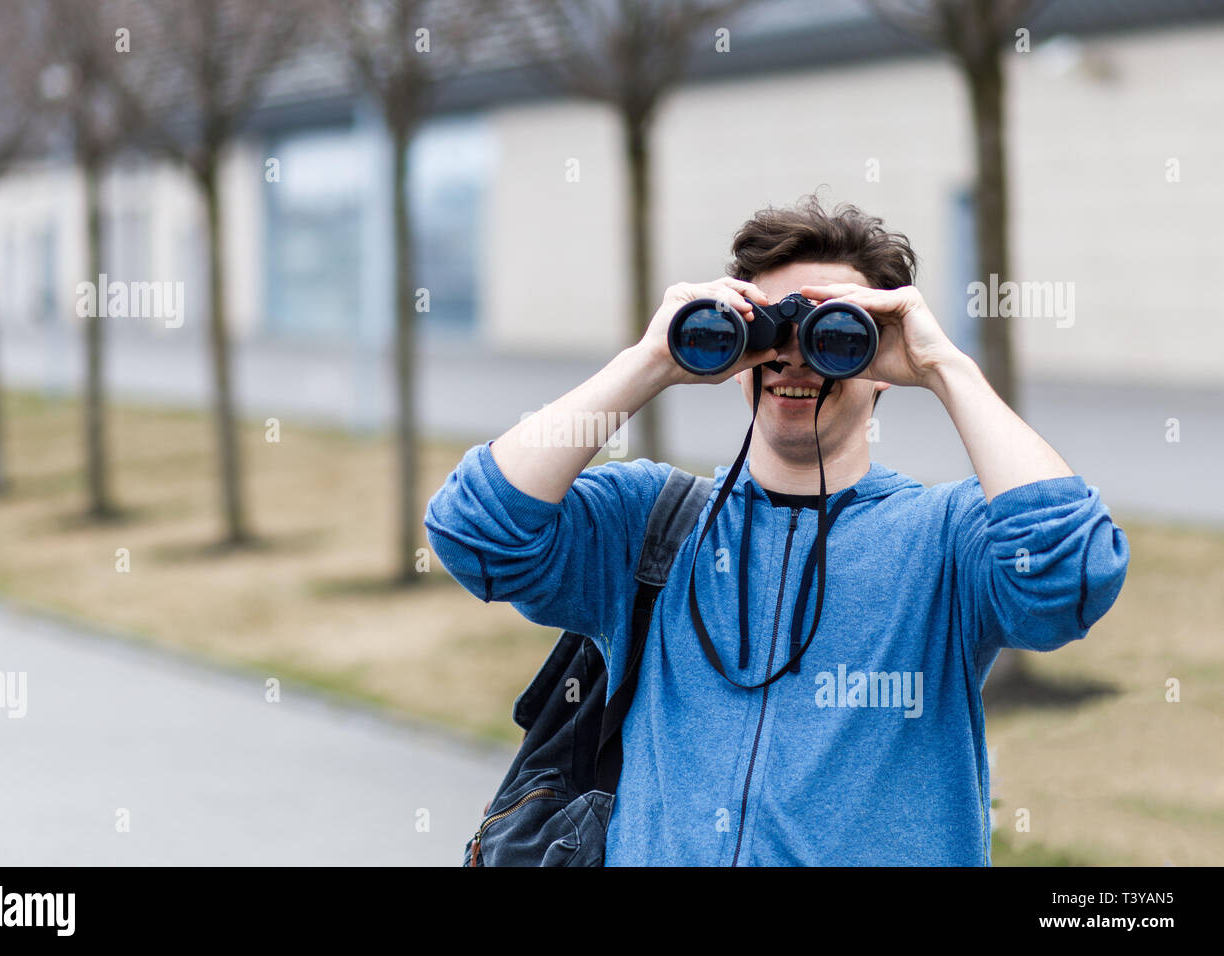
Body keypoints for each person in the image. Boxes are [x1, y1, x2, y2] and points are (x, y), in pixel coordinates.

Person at [423, 195, 1129, 866]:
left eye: (833, 334)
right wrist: (651, 360)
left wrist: (946, 368)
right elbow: (472, 533)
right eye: (769, 333)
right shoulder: (648, 523)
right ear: (735, 357)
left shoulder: (946, 539)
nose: (794, 358)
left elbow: (1073, 577)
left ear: (879, 361)